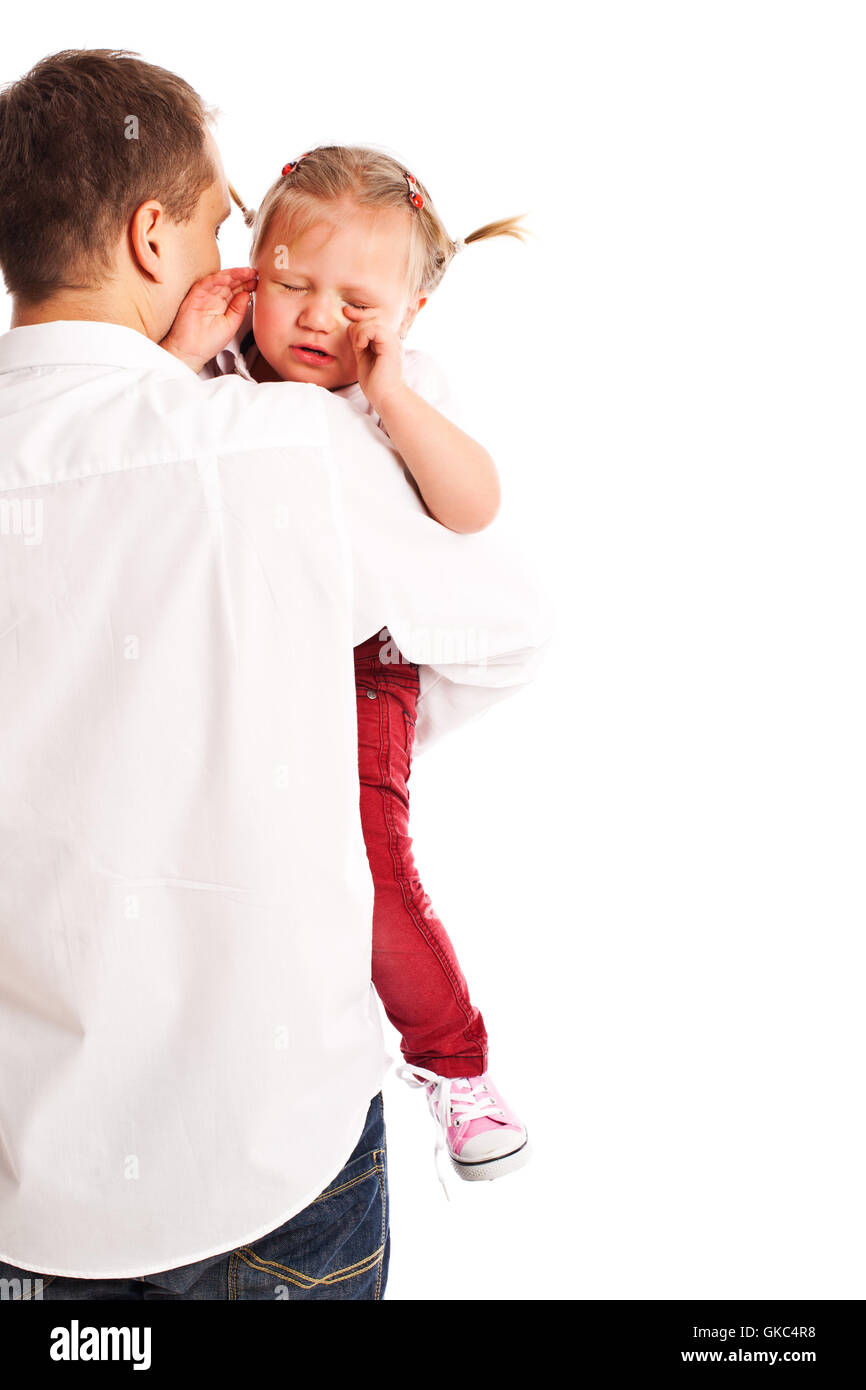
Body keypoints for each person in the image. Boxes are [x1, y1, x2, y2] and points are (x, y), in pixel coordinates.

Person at [0, 51, 552, 1299]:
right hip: (269, 1151)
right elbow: (506, 625)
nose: (232, 266)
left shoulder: (298, 423)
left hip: (24, 1179)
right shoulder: (280, 448)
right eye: (219, 226)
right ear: (153, 235)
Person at [162, 146, 534, 1187]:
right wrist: (180, 352)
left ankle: (455, 1066)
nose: (317, 317)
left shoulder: (399, 393)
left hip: (363, 659)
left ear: (409, 310)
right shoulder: (220, 364)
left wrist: (396, 395)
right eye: (290, 283)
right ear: (249, 263)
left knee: (370, 863)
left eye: (355, 299)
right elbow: (140, 446)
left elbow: (471, 508)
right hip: (243, 646)